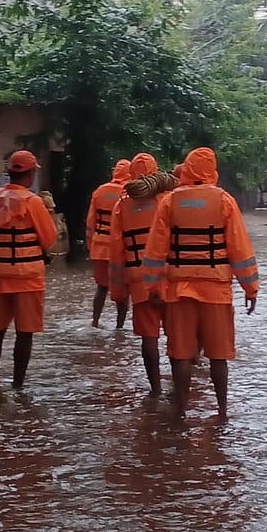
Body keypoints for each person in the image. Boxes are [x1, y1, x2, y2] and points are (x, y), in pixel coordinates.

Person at [143, 147, 260, 418]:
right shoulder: (224, 201)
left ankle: (181, 411)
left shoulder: (169, 202)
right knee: (219, 356)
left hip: (177, 289)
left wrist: (152, 287)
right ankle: (221, 411)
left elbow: (155, 250)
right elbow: (239, 249)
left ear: (187, 169)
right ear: (212, 171)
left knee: (181, 354)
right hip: (216, 289)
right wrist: (250, 287)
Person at [0, 150, 58, 389]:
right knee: (25, 333)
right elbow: (50, 239)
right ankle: (18, 386)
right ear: (31, 173)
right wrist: (50, 212)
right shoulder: (33, 202)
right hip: (28, 278)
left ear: (10, 172)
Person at [109, 153, 178, 395]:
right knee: (177, 337)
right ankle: (179, 389)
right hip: (169, 279)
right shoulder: (167, 199)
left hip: (139, 283)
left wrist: (117, 290)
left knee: (149, 338)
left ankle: (156, 389)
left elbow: (116, 251)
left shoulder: (121, 205)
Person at [87, 159, 131, 328]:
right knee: (122, 291)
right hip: (119, 249)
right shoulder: (128, 194)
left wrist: (91, 246)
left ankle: (95, 322)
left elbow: (91, 222)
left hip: (99, 247)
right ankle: (120, 327)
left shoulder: (99, 191)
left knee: (101, 287)